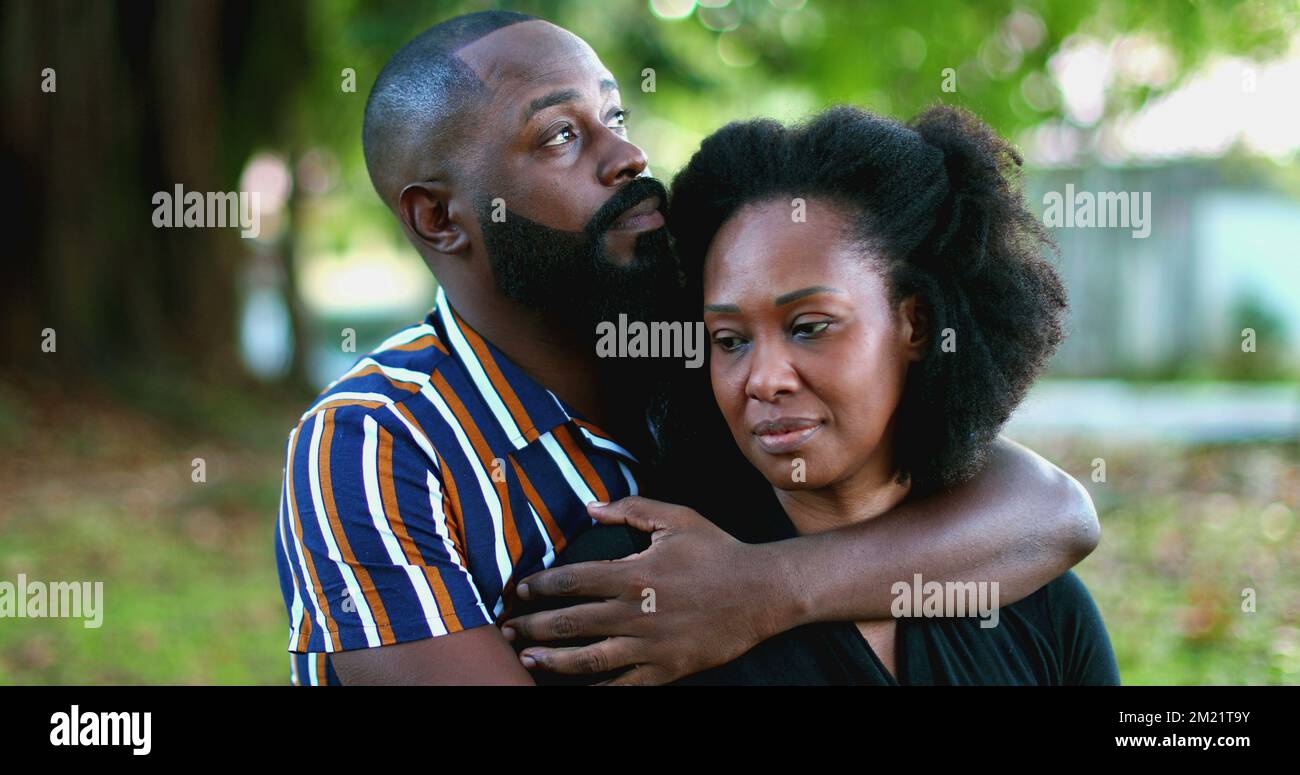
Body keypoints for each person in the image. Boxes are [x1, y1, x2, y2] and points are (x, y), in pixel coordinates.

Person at [273, 11, 1100, 686]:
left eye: (616, 116)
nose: (627, 157)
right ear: (440, 218)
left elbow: (1052, 511)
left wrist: (761, 591)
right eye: (561, 135)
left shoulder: (698, 352)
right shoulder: (378, 441)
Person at [518, 105, 1119, 685]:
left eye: (809, 327)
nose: (764, 378)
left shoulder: (1033, 601)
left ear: (915, 324)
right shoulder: (633, 596)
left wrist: (761, 590)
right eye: (729, 339)